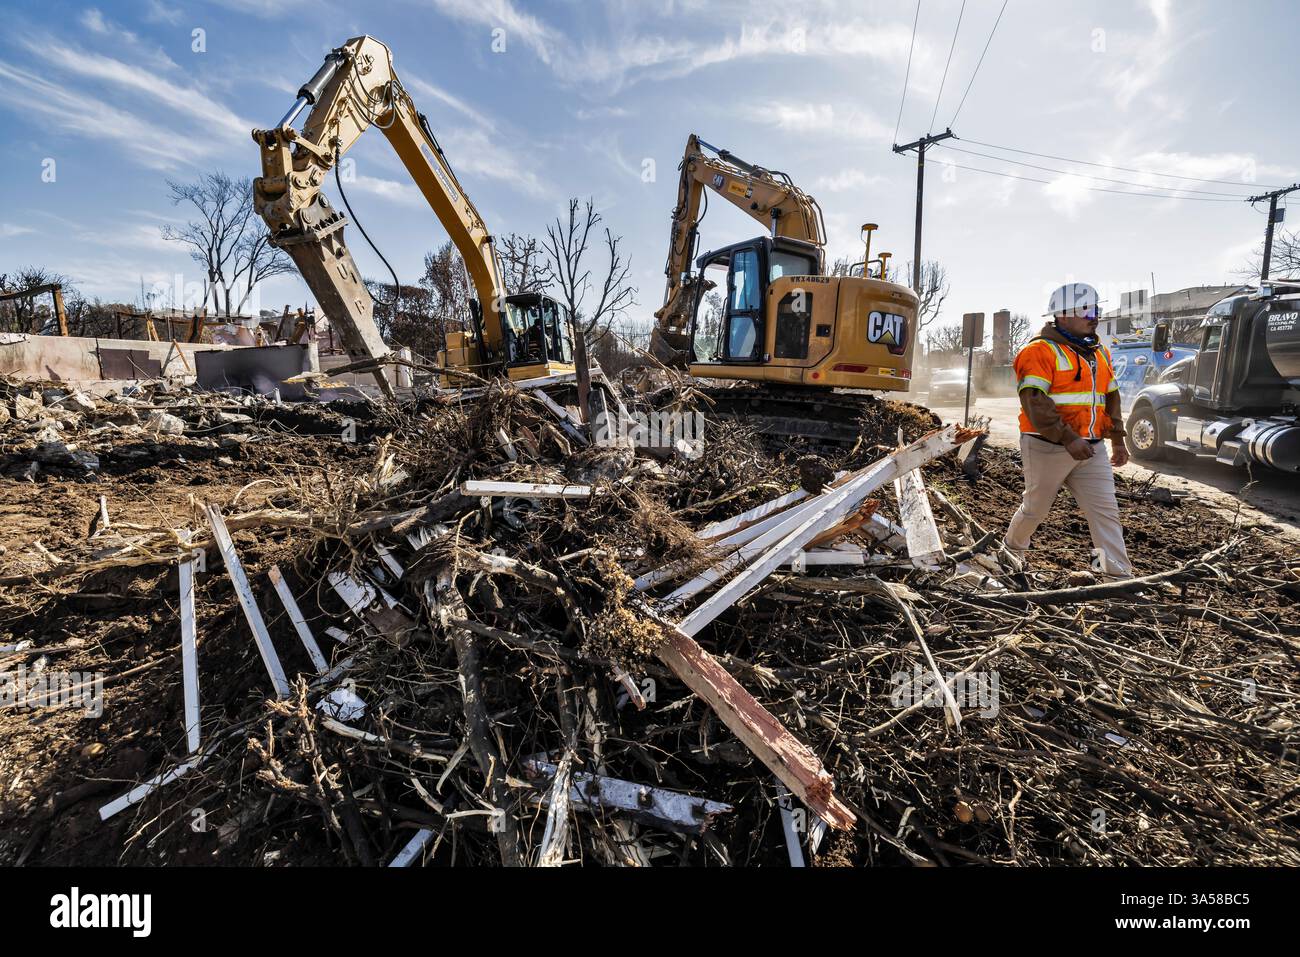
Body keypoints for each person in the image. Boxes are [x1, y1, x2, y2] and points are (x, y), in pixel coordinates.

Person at [1005, 282, 1133, 577]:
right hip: (1047, 447)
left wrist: (1117, 440)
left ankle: (1115, 579)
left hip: (1091, 447)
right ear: (1062, 314)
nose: (1094, 316)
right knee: (1035, 511)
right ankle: (1010, 552)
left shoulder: (1100, 353)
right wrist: (1068, 438)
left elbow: (1110, 398)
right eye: (1087, 309)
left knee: (1104, 515)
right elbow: (1034, 402)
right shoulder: (1038, 351)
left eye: (1096, 309)